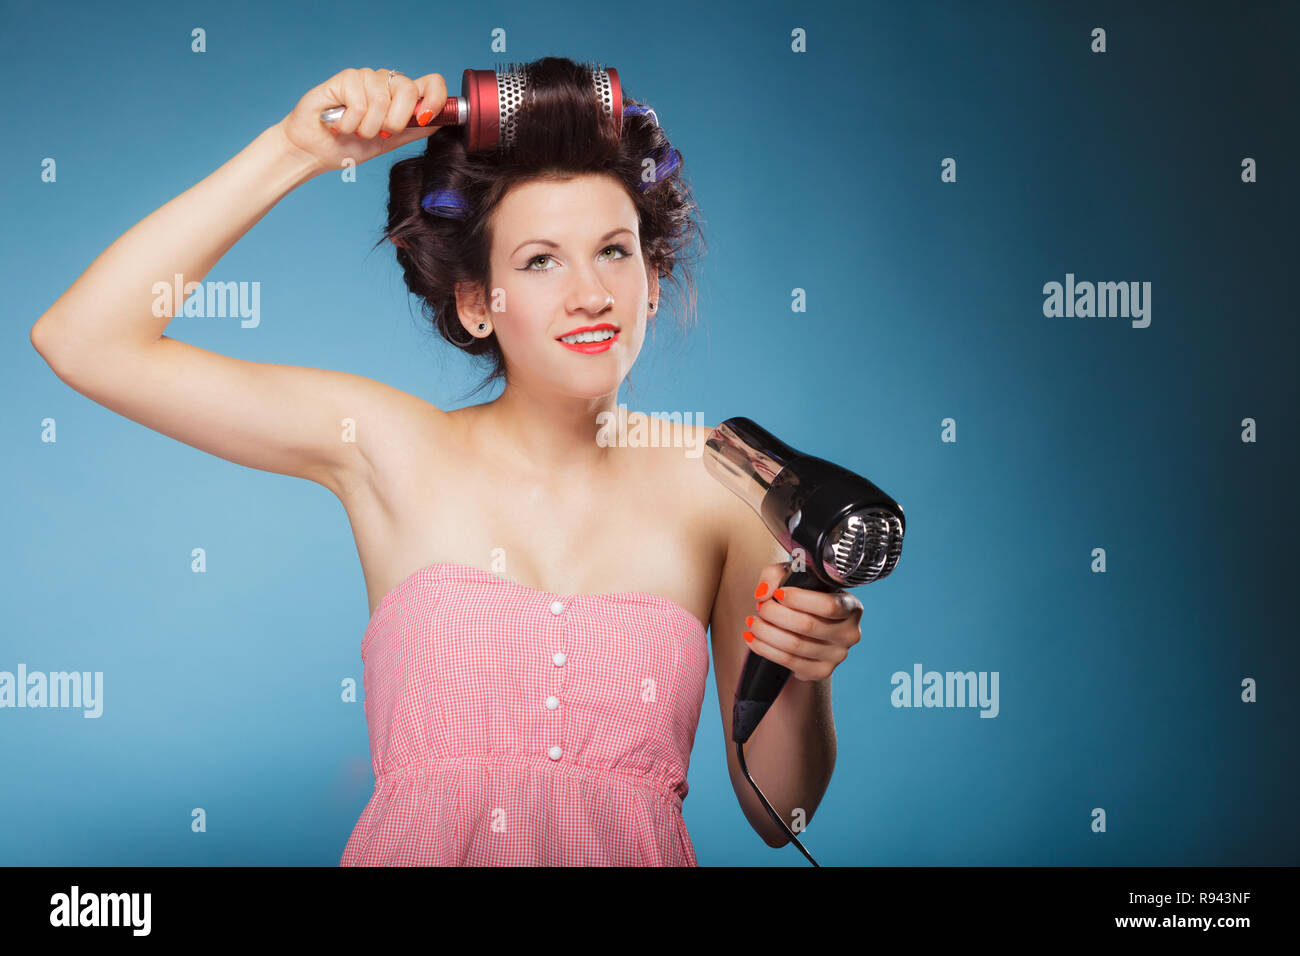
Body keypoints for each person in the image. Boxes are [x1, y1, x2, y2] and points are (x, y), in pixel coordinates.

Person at [29, 56, 863, 865]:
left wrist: (804, 666)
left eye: (614, 250)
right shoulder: (391, 449)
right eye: (541, 260)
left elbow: (776, 815)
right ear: (475, 304)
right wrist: (297, 152)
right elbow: (84, 339)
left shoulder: (729, 485)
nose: (591, 294)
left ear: (652, 276)